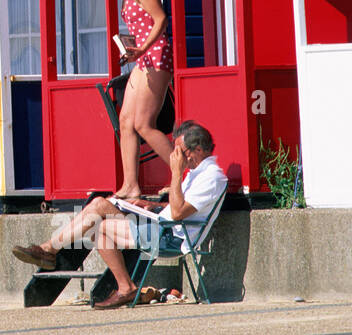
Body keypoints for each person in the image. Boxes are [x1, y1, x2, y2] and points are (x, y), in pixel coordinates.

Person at [12, 120, 228, 309]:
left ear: (198, 150)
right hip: (161, 224)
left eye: (180, 151)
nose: (176, 156)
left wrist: (176, 173)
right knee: (99, 210)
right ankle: (55, 252)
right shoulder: (199, 174)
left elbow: (180, 212)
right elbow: (180, 206)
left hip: (170, 236)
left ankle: (51, 251)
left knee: (98, 218)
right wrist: (151, 205)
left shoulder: (210, 177)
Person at [79, 0, 173, 199]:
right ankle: (131, 184)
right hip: (143, 58)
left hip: (156, 57)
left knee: (144, 124)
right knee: (125, 121)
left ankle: (184, 178)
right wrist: (133, 48)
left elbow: (161, 19)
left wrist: (141, 48)